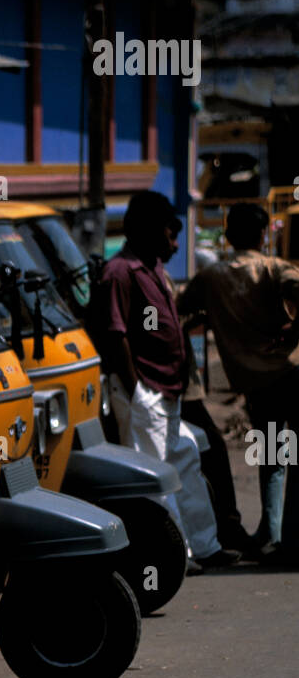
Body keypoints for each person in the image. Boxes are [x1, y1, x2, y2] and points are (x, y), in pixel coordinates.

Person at [94, 190, 238, 571]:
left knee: (185, 460)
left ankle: (204, 546)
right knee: (154, 475)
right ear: (147, 231)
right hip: (144, 393)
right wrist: (137, 391)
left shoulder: (153, 267)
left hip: (166, 392)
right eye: (169, 235)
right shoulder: (120, 272)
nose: (175, 244)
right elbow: (115, 334)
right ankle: (173, 557)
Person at [178, 202, 299, 564]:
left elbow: (179, 309)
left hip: (256, 383)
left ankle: (275, 534)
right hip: (290, 374)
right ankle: (281, 539)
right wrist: (293, 332)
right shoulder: (273, 268)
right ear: (263, 236)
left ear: (228, 235)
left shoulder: (211, 277)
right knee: (284, 457)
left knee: (273, 457)